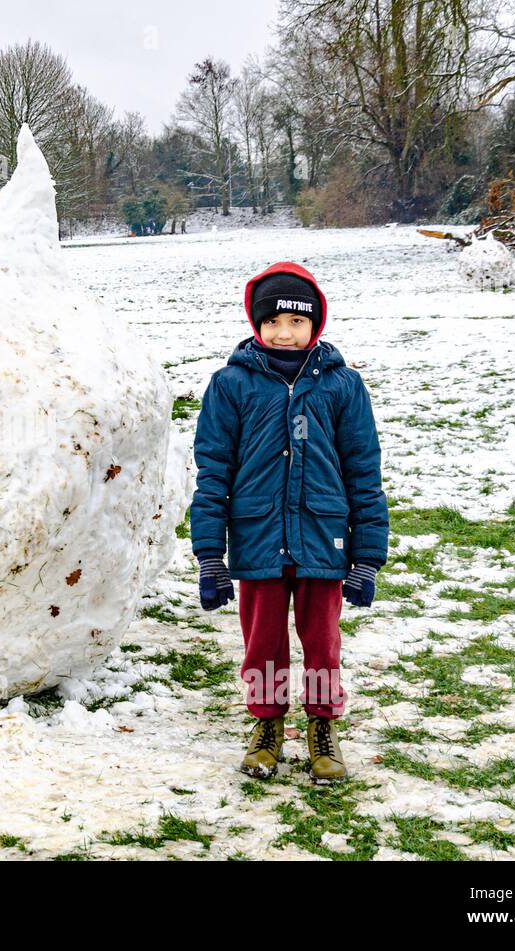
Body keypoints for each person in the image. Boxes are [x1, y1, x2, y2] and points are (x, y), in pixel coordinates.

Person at [190, 262, 389, 784]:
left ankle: (323, 727)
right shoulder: (230, 385)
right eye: (274, 321)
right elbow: (213, 473)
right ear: (257, 324)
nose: (285, 332)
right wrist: (210, 556)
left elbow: (364, 471)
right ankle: (267, 726)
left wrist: (367, 557)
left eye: (297, 323)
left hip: (325, 538)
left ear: (315, 325)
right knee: (264, 643)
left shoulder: (343, 386)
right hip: (257, 537)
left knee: (322, 642)